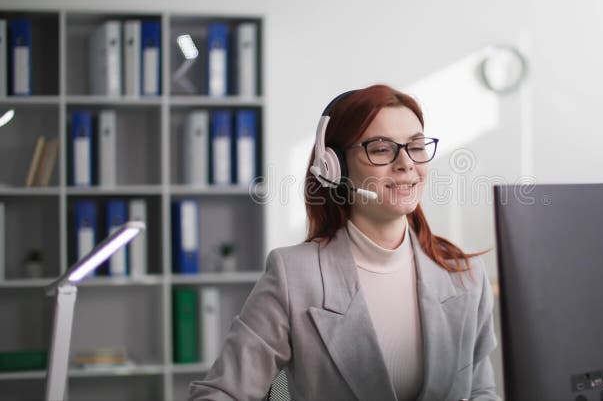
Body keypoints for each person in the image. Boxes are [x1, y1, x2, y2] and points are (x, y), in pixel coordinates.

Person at [189, 84, 500, 401]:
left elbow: (481, 391)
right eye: (381, 149)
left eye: (416, 147)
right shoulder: (293, 275)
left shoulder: (465, 274)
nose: (406, 163)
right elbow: (219, 393)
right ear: (334, 167)